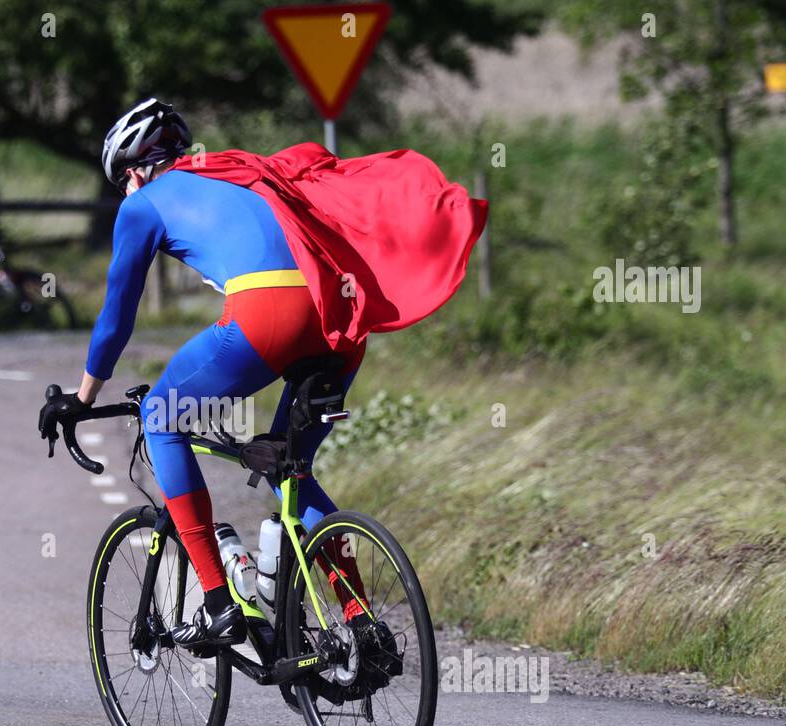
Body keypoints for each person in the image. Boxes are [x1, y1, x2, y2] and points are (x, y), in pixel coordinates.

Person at [40, 98, 486, 651]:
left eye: (123, 181)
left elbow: (116, 314)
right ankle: (360, 622)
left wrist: (83, 398)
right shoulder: (240, 171)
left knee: (161, 416)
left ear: (133, 172)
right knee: (290, 468)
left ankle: (218, 603)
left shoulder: (142, 206)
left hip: (269, 313)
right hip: (337, 319)